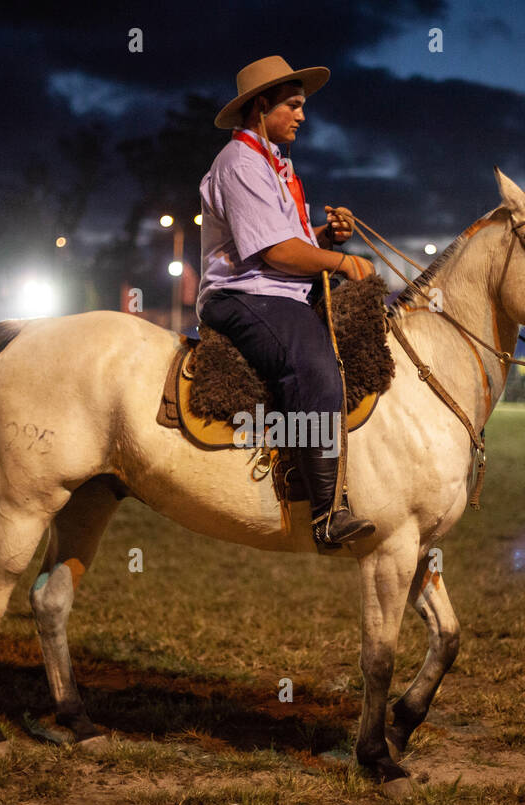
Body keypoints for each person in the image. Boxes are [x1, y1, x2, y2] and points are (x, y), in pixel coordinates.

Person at [197, 55, 376, 546]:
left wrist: (326, 237)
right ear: (261, 107)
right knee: (315, 366)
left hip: (275, 288)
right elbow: (275, 252)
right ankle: (326, 514)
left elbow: (288, 239)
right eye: (293, 105)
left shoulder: (276, 164)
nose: (302, 115)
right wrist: (341, 263)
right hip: (244, 293)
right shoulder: (240, 162)